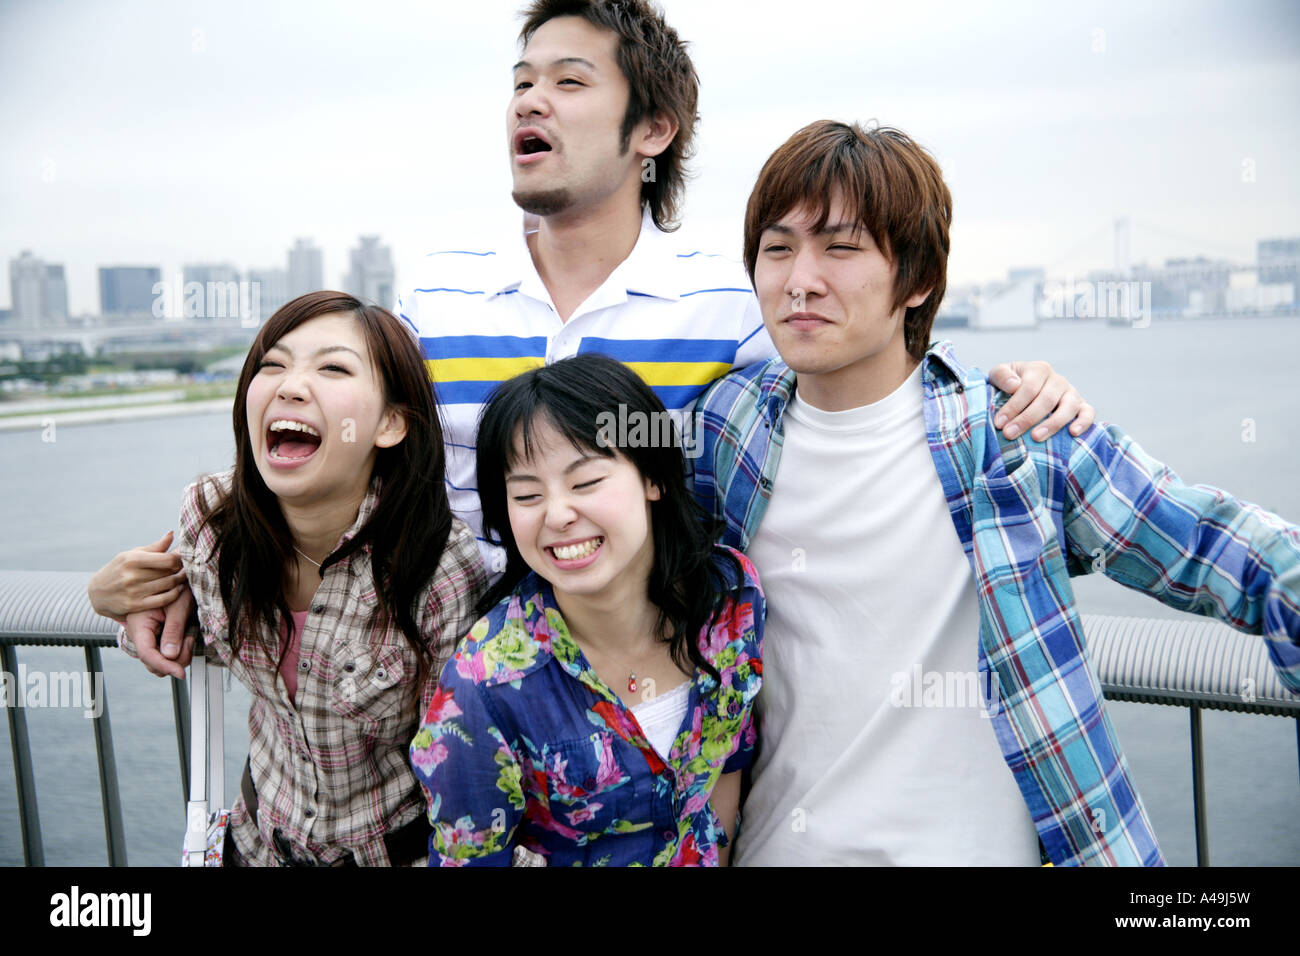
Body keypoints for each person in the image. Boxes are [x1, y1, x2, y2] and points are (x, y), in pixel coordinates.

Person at [89, 0, 1088, 661]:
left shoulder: (733, 311)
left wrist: (1012, 389)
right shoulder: (436, 299)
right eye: (523, 80)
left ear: (653, 131)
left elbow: (850, 416)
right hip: (446, 721)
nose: (530, 98)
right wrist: (182, 563)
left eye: (570, 81)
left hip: (650, 737)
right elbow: (322, 459)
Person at [691, 120, 1300, 866]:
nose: (800, 278)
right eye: (778, 247)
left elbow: (1228, 551)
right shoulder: (728, 432)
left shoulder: (1013, 438)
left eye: (841, 248)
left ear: (915, 280)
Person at [119, 291, 488, 865]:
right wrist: (125, 603)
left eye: (333, 367)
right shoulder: (212, 519)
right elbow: (184, 616)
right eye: (273, 364)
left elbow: (464, 763)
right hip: (258, 842)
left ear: (390, 422)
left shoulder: (436, 566)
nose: (290, 385)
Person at [409, 353, 764, 866]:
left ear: (652, 478)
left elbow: (729, 760)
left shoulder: (730, 599)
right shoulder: (483, 686)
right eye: (527, 495)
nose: (557, 515)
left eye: (586, 482)